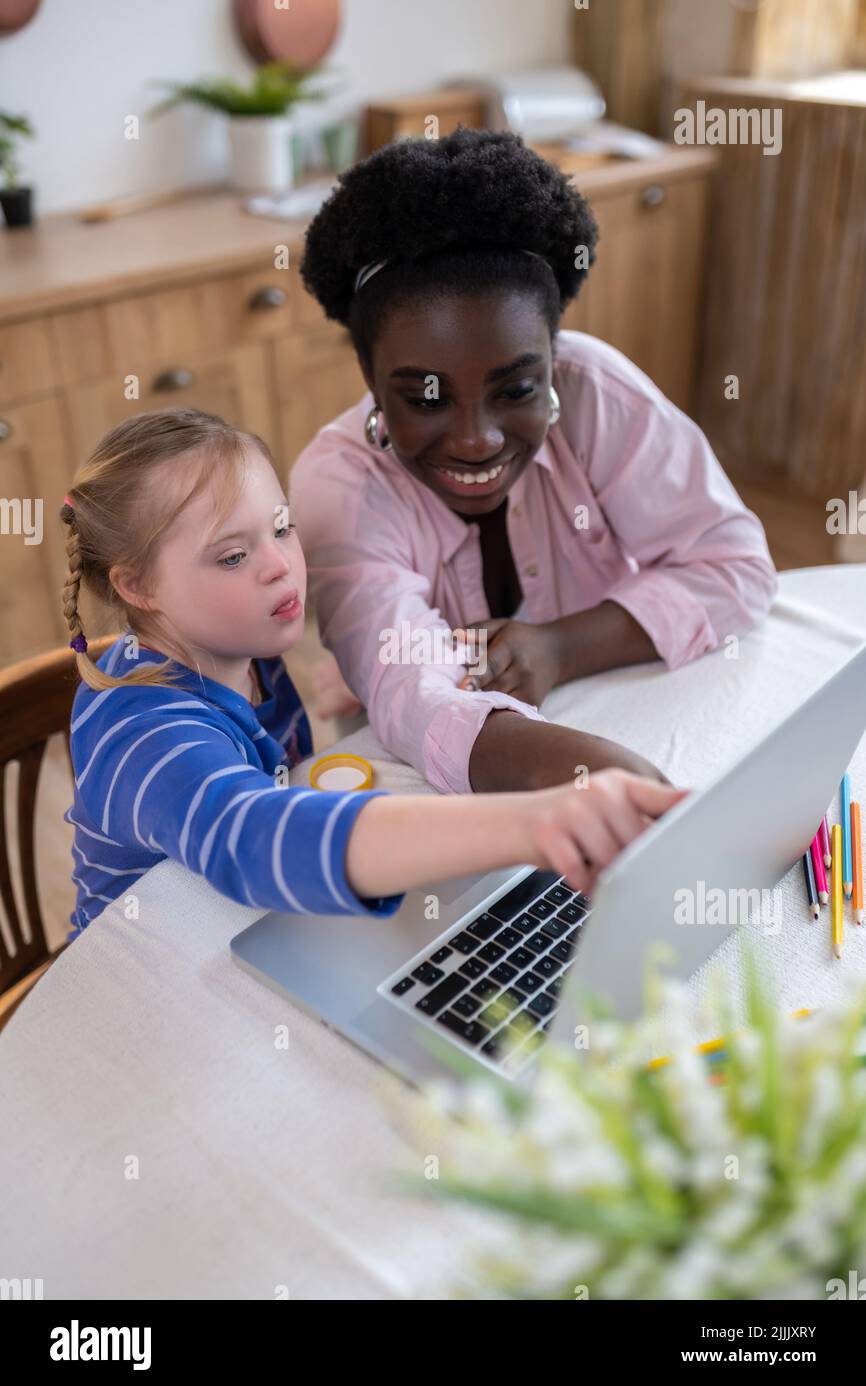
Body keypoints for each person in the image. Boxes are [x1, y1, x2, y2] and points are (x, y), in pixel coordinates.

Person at [59, 407, 686, 941]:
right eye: (232, 555)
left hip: (230, 931)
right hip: (152, 976)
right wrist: (531, 823)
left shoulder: (235, 642)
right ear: (137, 586)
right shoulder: (143, 731)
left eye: (282, 528)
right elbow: (248, 836)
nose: (281, 566)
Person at [291, 127, 778, 796]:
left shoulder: (598, 392)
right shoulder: (338, 483)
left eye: (516, 390)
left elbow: (735, 566)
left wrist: (560, 647)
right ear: (370, 378)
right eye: (425, 398)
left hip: (616, 703)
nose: (476, 440)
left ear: (555, 356)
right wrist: (602, 779)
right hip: (432, 774)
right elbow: (411, 686)